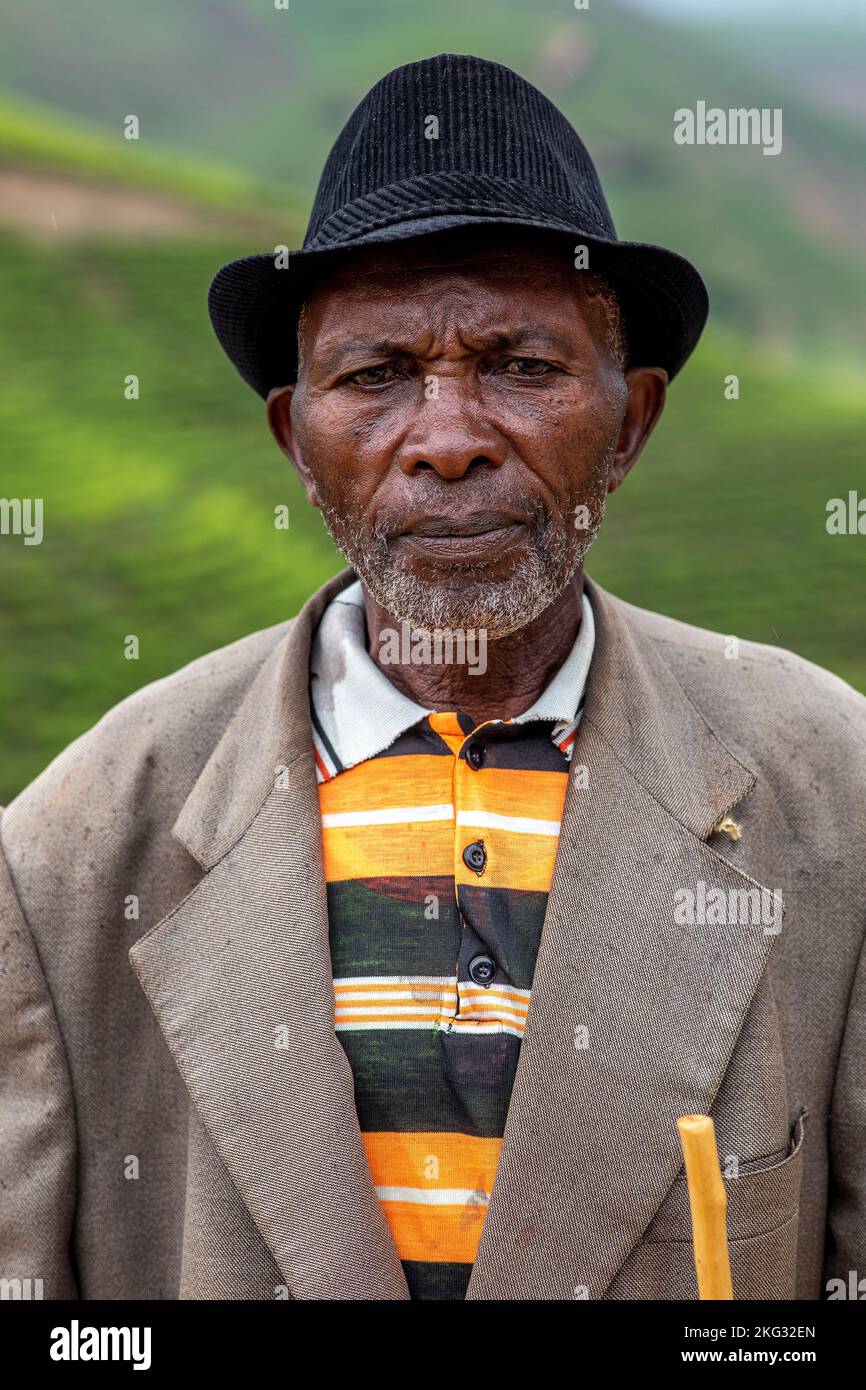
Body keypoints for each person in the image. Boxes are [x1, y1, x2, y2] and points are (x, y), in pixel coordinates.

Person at [1, 54, 863, 1302]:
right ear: (297, 440)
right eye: (377, 376)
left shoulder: (832, 797)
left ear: (629, 424)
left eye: (521, 367)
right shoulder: (73, 855)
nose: (448, 442)